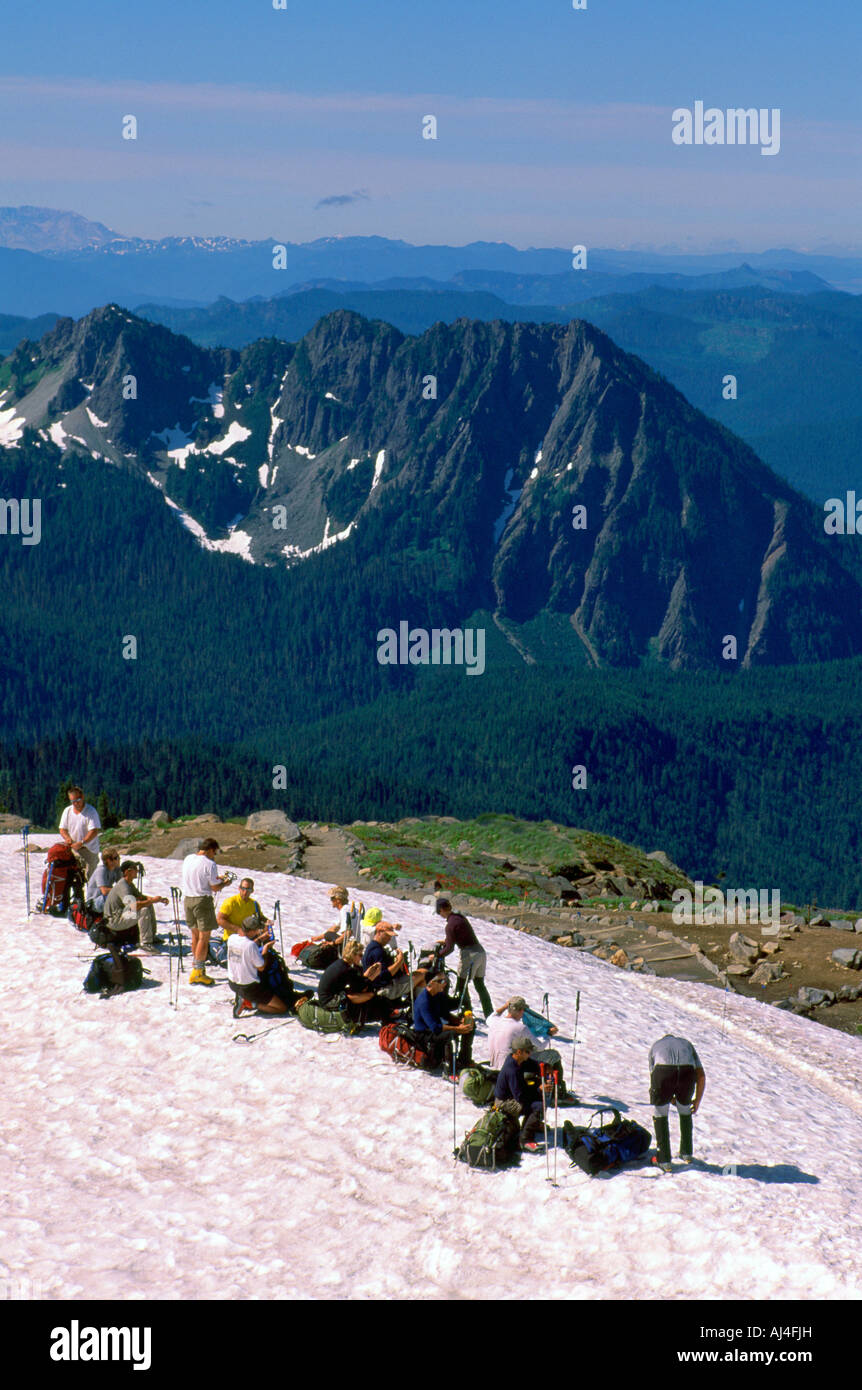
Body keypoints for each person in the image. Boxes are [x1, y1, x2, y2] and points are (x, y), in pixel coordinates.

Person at [648, 1034, 706, 1171]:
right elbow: (701, 1075)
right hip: (687, 1072)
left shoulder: (655, 1046)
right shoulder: (687, 1044)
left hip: (662, 1071)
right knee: (685, 1109)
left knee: (660, 1112)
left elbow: (654, 1078)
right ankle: (686, 1153)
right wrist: (697, 1100)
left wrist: (666, 1096)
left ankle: (664, 1160)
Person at [181, 838, 233, 986]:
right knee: (204, 937)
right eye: (214, 852)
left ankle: (196, 968)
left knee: (195, 935)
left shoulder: (188, 858)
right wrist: (225, 882)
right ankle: (198, 972)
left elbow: (202, 878)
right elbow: (215, 888)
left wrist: (217, 879)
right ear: (210, 850)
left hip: (188, 899)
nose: (214, 856)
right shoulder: (210, 864)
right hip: (202, 901)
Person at [434, 898, 493, 1019]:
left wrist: (436, 955)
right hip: (480, 952)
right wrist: (446, 941)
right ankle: (489, 1014)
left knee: (461, 984)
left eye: (439, 912)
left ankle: (466, 1013)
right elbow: (460, 935)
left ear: (441, 910)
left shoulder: (450, 925)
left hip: (469, 954)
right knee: (479, 984)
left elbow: (449, 949)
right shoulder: (460, 917)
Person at [412, 973, 474, 1074]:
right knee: (451, 1034)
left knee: (469, 1027)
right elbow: (435, 1028)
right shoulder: (424, 1001)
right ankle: (449, 1069)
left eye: (445, 981)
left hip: (435, 1029)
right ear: (432, 983)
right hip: (425, 1035)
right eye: (441, 981)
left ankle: (464, 1059)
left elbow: (445, 1013)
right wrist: (458, 1029)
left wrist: (459, 1021)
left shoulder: (437, 994)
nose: (445, 984)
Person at [227, 917, 289, 1019]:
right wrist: (265, 948)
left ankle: (243, 997)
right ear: (251, 931)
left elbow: (245, 946)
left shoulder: (232, 938)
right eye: (257, 930)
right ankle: (249, 1003)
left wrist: (259, 939)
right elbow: (261, 967)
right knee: (281, 1008)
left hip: (233, 983)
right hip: (249, 987)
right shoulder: (251, 946)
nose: (258, 932)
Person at [493, 1035, 546, 1152]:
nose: (530, 1054)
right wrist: (539, 1089)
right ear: (519, 1052)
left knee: (537, 1098)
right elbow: (520, 1096)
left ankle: (531, 1125)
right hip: (504, 1103)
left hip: (509, 1097)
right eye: (527, 1052)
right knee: (538, 1106)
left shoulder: (514, 1059)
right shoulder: (512, 1069)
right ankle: (525, 1140)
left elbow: (530, 1063)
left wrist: (545, 1068)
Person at [103, 860, 168, 953]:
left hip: (120, 914)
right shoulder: (123, 886)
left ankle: (151, 936)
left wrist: (158, 900)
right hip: (114, 920)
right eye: (135, 869)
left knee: (148, 904)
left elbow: (141, 897)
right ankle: (145, 943)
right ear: (127, 872)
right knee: (143, 910)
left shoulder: (128, 884)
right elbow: (133, 905)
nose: (137, 871)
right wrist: (153, 900)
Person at [318, 940, 387, 1023]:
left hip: (327, 997)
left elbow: (357, 981)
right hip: (328, 1001)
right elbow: (359, 987)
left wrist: (368, 973)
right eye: (360, 955)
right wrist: (374, 975)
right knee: (369, 995)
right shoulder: (345, 969)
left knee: (362, 994)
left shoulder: (341, 963)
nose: (361, 958)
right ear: (353, 954)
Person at [362, 921, 427, 1002]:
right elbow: (384, 976)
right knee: (422, 974)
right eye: (387, 935)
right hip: (384, 989)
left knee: (420, 973)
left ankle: (414, 1005)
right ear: (379, 932)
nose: (389, 939)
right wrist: (399, 961)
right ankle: (418, 1009)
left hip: (380, 986)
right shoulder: (377, 951)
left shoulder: (372, 947)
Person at [212, 877, 269, 965]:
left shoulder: (254, 904)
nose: (245, 892)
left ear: (252, 891)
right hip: (232, 939)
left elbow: (260, 918)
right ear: (239, 888)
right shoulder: (230, 902)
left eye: (248, 889)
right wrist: (238, 930)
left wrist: (267, 922)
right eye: (243, 888)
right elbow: (219, 920)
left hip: (248, 938)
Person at [487, 997, 541, 1070]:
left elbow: (493, 1015)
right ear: (521, 1011)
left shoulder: (493, 1021)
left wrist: (504, 1006)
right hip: (509, 1067)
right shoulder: (520, 1028)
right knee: (551, 1056)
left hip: (493, 1065)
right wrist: (548, 1035)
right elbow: (540, 1047)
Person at [58, 787, 102, 877]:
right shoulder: (67, 811)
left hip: (89, 850)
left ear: (82, 797)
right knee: (74, 877)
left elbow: (94, 831)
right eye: (73, 801)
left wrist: (82, 842)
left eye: (78, 800)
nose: (75, 803)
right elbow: (62, 829)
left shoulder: (91, 811)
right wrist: (67, 838)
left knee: (91, 877)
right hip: (74, 849)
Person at [86, 849, 123, 913]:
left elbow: (122, 884)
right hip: (95, 902)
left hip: (105, 898)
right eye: (116, 858)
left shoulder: (116, 870)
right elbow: (104, 891)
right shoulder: (101, 870)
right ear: (108, 860)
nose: (119, 859)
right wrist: (120, 890)